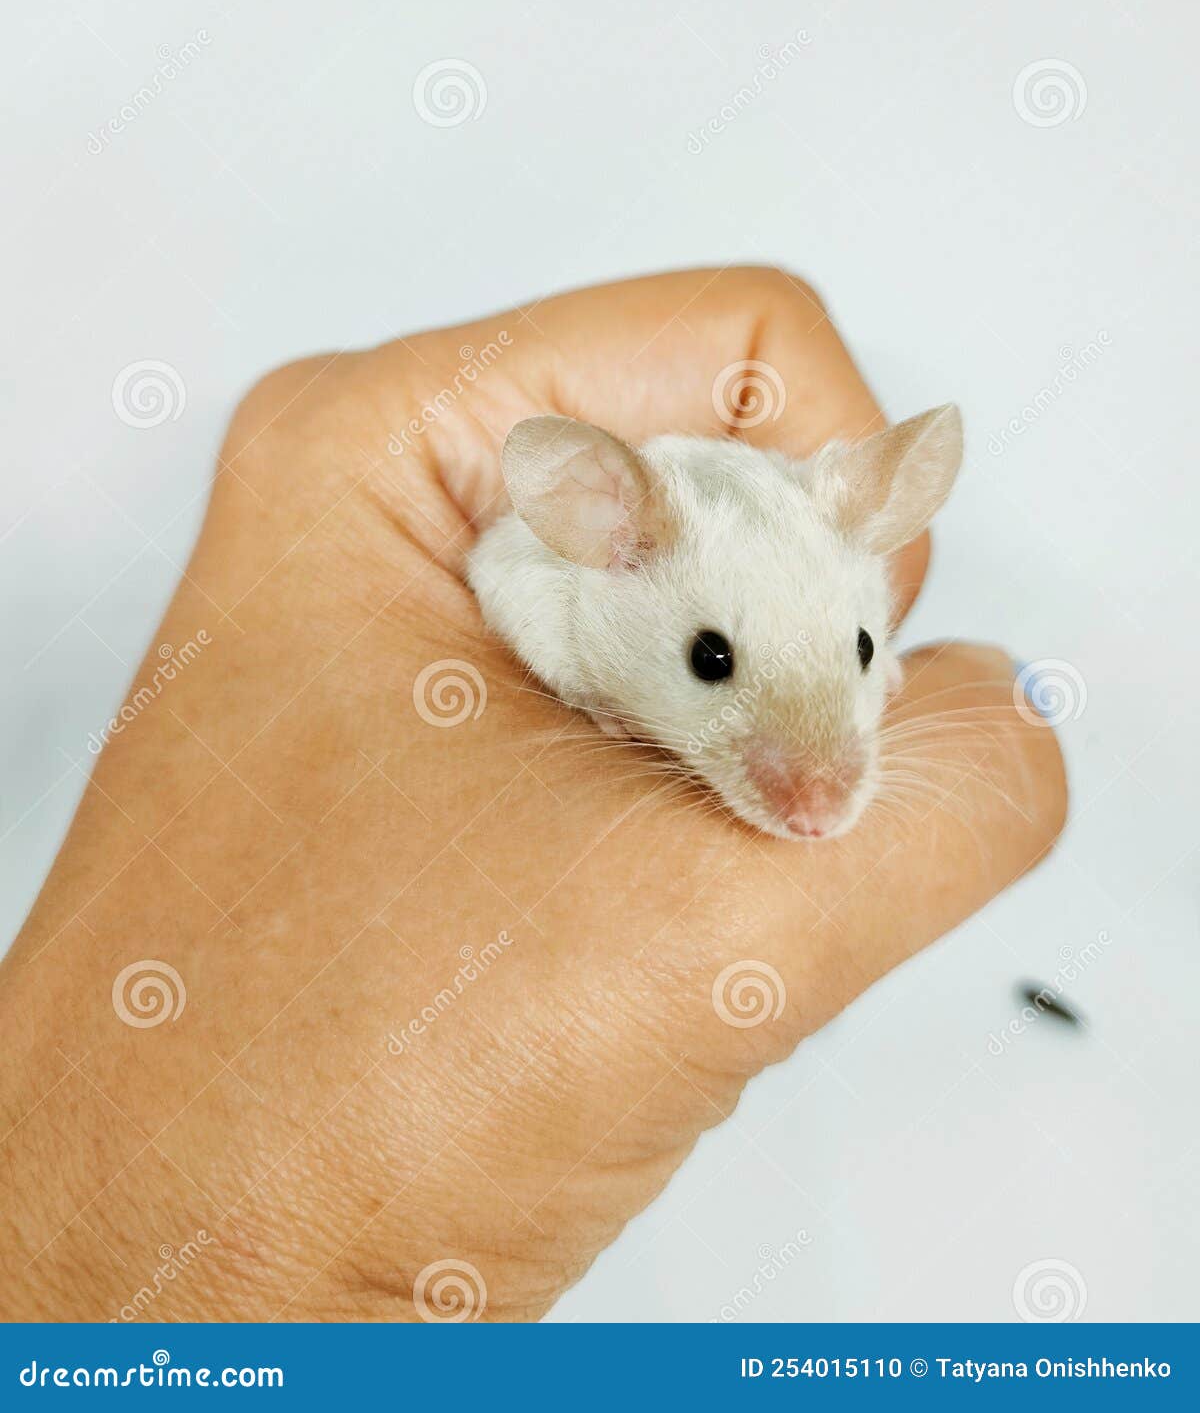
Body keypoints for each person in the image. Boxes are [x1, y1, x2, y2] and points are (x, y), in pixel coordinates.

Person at [0, 267, 1065, 1322]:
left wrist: (864, 666)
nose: (816, 794)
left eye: (859, 649)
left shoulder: (841, 556)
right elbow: (507, 578)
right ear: (607, 534)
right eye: (712, 661)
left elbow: (849, 627)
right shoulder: (585, 560)